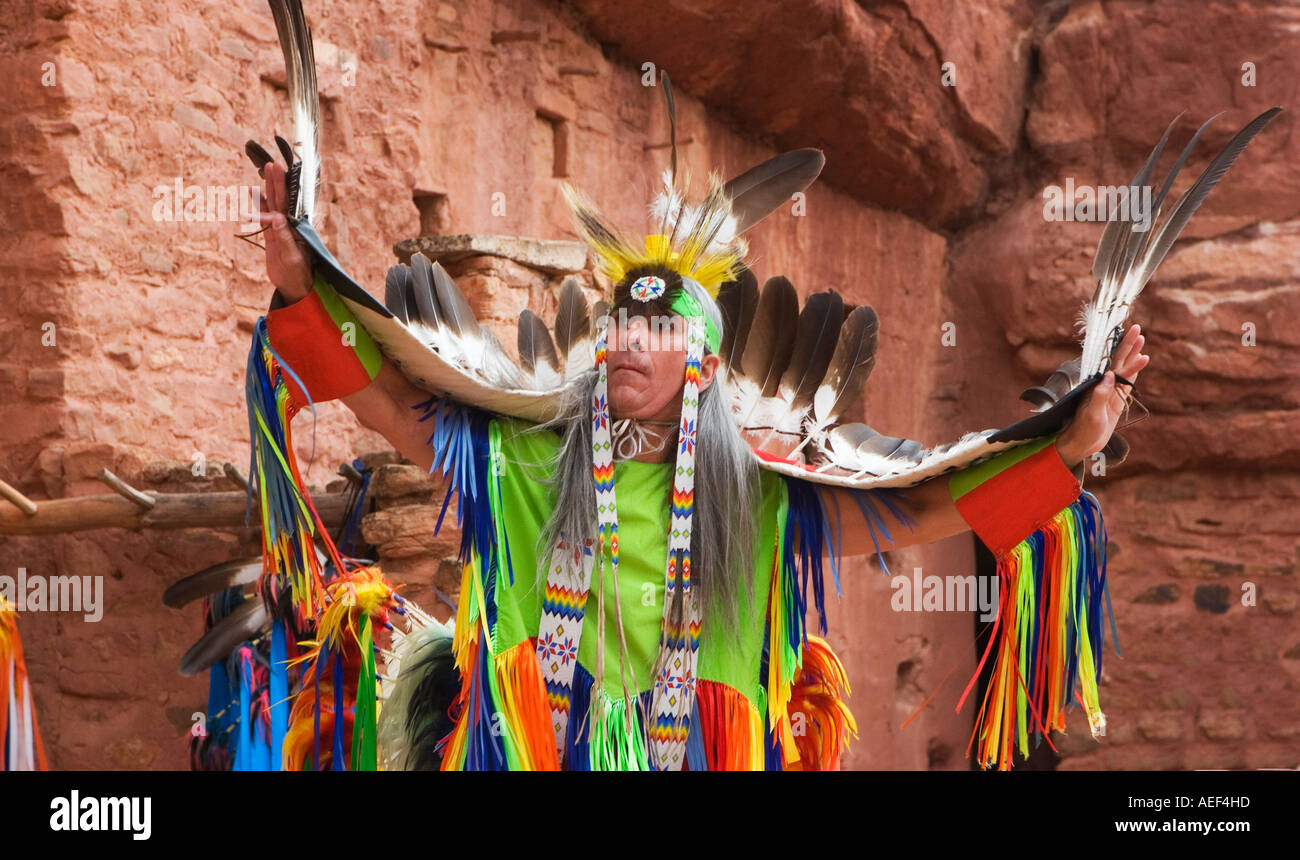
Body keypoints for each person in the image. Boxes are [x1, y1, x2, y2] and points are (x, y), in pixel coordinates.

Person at [246, 149, 1148, 771]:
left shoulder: (758, 499)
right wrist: (298, 288)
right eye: (620, 327)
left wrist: (1068, 453)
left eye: (658, 331)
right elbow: (395, 407)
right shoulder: (526, 460)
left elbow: (915, 510)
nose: (630, 344)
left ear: (703, 365)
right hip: (534, 741)